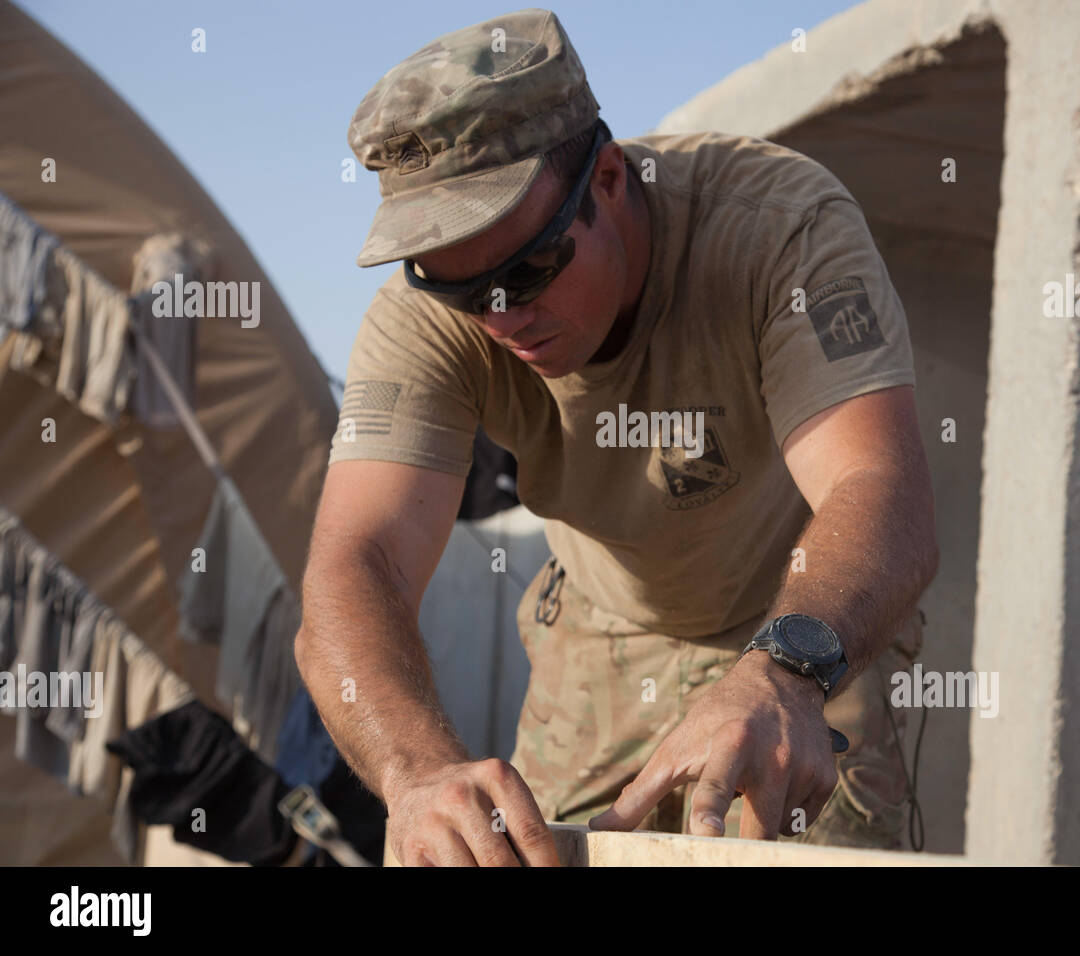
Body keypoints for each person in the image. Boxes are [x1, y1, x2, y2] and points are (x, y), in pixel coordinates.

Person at [295, 8, 939, 867]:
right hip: (600, 627)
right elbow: (355, 561)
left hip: (802, 618)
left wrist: (786, 672)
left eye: (526, 273)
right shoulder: (426, 319)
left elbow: (879, 490)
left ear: (606, 179)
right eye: (460, 291)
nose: (500, 317)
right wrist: (416, 772)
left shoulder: (778, 229)